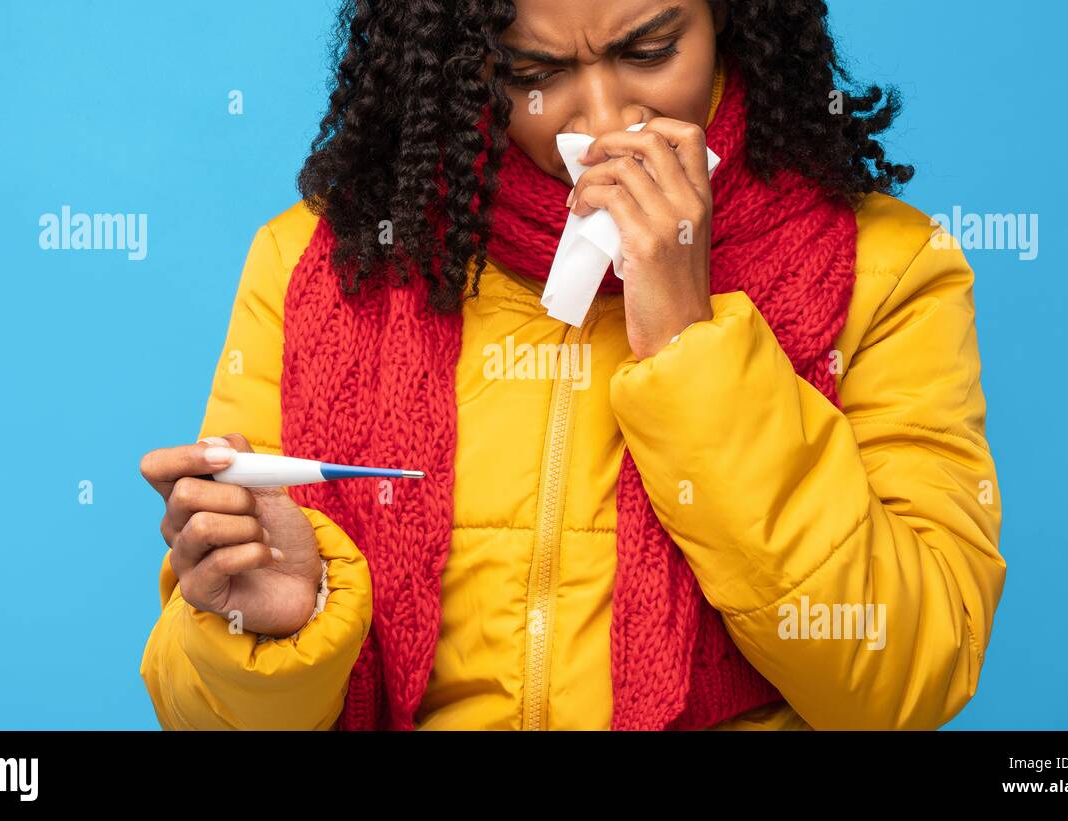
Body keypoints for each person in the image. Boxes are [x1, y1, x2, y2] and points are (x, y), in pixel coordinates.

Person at [139, 0, 1006, 730]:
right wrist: (279, 627)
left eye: (651, 51)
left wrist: (687, 339)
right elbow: (198, 708)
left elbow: (910, 674)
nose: (602, 121)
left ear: (732, 21)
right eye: (533, 74)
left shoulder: (884, 267)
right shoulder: (320, 266)